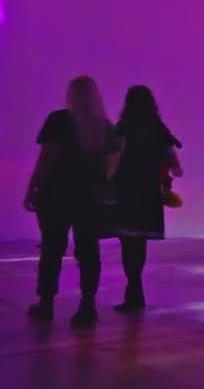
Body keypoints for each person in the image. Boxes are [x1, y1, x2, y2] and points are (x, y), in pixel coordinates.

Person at [23, 75, 120, 328]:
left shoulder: (58, 121)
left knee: (52, 249)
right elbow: (111, 165)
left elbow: (46, 159)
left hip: (56, 194)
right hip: (89, 197)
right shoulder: (104, 127)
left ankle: (46, 304)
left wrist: (32, 189)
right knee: (88, 251)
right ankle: (87, 305)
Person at [112, 85, 182, 313]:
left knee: (128, 242)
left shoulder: (123, 127)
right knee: (140, 241)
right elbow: (175, 164)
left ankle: (133, 290)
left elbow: (114, 159)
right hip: (150, 191)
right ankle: (135, 289)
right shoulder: (158, 128)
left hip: (126, 190)